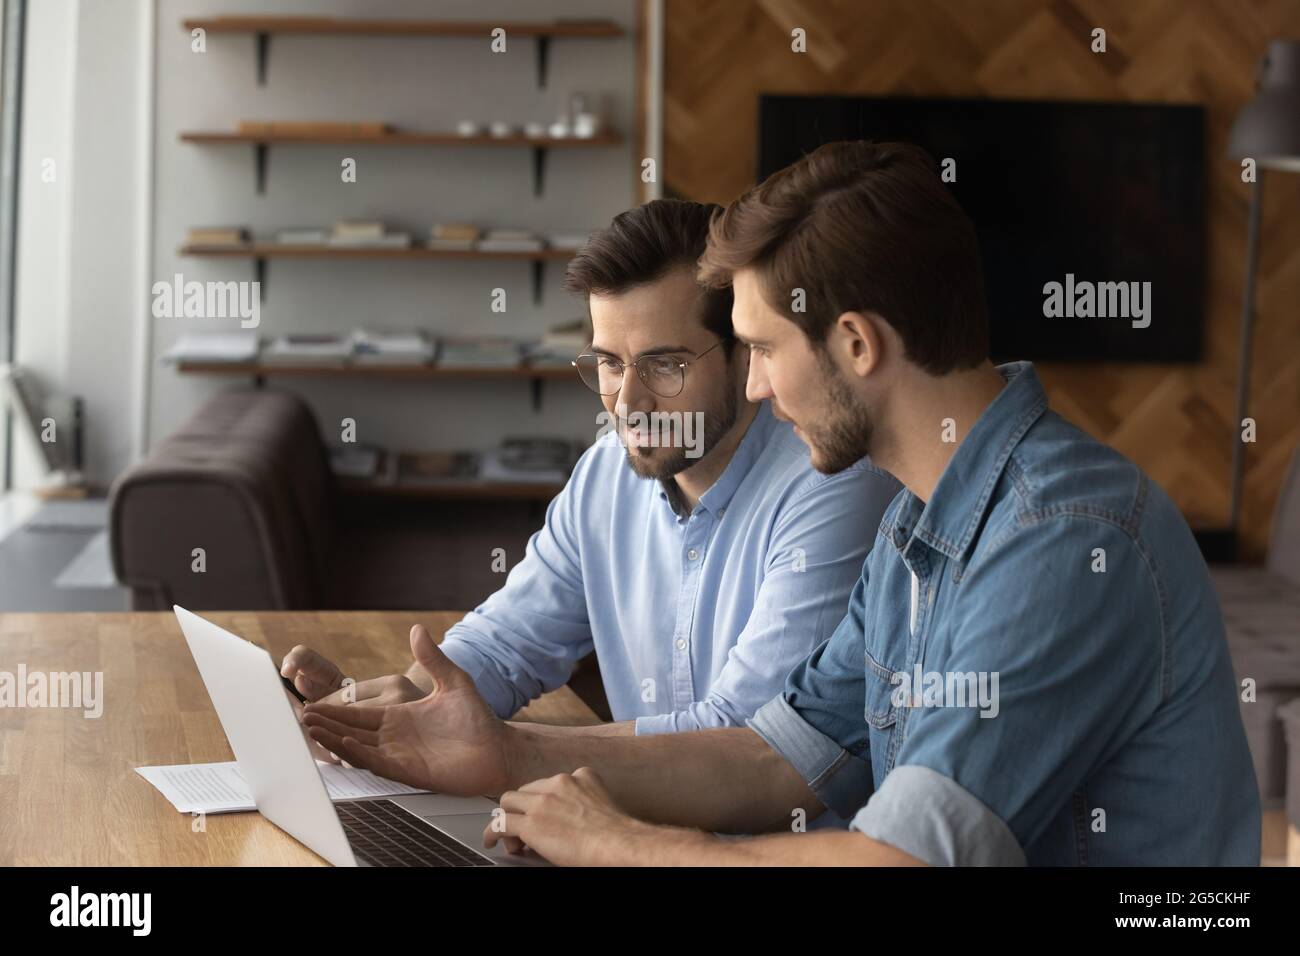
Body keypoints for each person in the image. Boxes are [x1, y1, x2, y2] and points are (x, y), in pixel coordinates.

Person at [302, 141, 1259, 866]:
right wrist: (502, 754)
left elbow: (902, 859)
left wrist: (628, 845)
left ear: (854, 344)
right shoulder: (916, 525)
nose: (754, 392)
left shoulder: (1060, 540)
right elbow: (774, 759)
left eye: (760, 351)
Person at [283, 198, 898, 742]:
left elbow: (745, 737)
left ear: (744, 353)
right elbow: (510, 641)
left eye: (664, 366)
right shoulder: (606, 473)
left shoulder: (831, 482)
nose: (627, 403)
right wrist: (409, 705)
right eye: (609, 363)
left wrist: (506, 759)